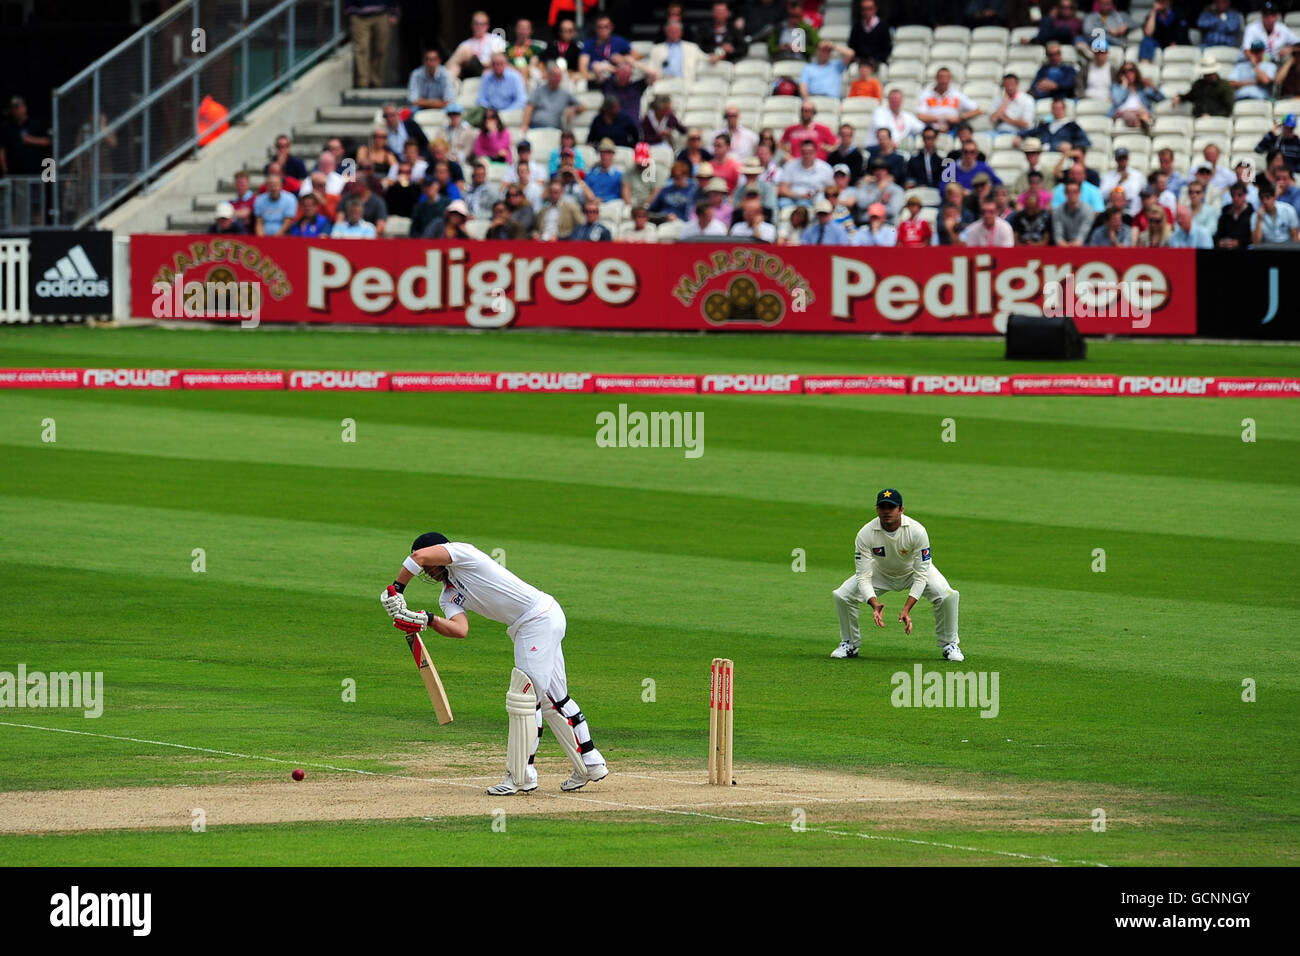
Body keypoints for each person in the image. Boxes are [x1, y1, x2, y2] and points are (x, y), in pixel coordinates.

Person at [383, 532, 609, 795]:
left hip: (537, 619)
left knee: (523, 697)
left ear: (440, 553)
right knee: (551, 699)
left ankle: (521, 776)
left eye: (429, 566)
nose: (428, 571)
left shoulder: (462, 553)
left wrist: (397, 588)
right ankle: (590, 763)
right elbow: (459, 629)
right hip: (537, 621)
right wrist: (428, 619)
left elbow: (418, 556)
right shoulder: (448, 595)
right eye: (425, 570)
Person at [831, 489, 964, 663]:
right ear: (877, 509)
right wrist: (874, 604)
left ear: (901, 509)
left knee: (948, 596)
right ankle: (849, 644)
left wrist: (907, 608)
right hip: (881, 571)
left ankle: (950, 644)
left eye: (891, 507)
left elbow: (921, 574)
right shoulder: (865, 533)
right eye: (882, 507)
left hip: (913, 571)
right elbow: (863, 576)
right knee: (842, 596)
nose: (887, 511)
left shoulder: (917, 531)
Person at [347, 2, 397, 89]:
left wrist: (394, 12)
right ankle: (362, 82)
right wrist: (349, 8)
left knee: (380, 49)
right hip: (358, 14)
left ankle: (376, 81)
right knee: (361, 49)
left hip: (382, 13)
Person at [916, 68, 982, 133]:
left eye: (946, 77)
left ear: (950, 79)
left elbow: (978, 111)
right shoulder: (926, 95)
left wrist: (959, 117)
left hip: (953, 128)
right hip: (931, 128)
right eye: (941, 77)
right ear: (936, 78)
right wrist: (942, 119)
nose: (943, 80)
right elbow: (920, 116)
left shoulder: (956, 95)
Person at [522, 62, 583, 133]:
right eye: (555, 76)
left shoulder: (565, 93)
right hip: (536, 127)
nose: (557, 78)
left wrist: (574, 109)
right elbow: (529, 108)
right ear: (549, 76)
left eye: (559, 76)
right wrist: (524, 125)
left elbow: (582, 106)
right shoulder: (538, 90)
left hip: (555, 129)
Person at [1019, 97, 1091, 153]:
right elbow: (1031, 132)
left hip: (1061, 158)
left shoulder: (1072, 126)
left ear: (1064, 109)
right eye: (1054, 108)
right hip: (1043, 157)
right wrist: (1019, 135)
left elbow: (1085, 142)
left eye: (1059, 108)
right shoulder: (1045, 126)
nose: (1056, 111)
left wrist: (1071, 145)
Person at [580, 15, 636, 84]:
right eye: (600, 27)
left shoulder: (619, 40)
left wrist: (622, 58)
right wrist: (589, 78)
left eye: (606, 27)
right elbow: (582, 67)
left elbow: (636, 55)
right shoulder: (589, 43)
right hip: (597, 77)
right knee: (597, 67)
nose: (603, 30)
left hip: (616, 77)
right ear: (595, 28)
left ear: (611, 27)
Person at [779, 139, 834, 208]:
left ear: (815, 152)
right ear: (800, 152)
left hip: (815, 201)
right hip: (793, 198)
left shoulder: (825, 168)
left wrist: (819, 191)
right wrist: (799, 196)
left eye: (810, 152)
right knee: (782, 202)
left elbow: (832, 189)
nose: (807, 155)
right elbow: (783, 189)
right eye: (804, 152)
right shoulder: (790, 165)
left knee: (806, 204)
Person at [1110, 61, 1163, 130]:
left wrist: (1151, 86)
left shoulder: (1142, 87)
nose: (1128, 73)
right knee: (1131, 115)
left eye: (1131, 70)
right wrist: (1124, 86)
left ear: (1135, 72)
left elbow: (1160, 98)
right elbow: (1117, 101)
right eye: (1124, 71)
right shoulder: (1117, 87)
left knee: (1144, 114)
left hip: (1141, 112)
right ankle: (1142, 125)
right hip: (1124, 112)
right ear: (1121, 74)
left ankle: (1142, 124)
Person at [651, 19, 705, 84]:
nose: (673, 33)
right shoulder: (656, 49)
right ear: (666, 32)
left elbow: (707, 58)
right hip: (663, 82)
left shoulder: (692, 47)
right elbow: (650, 67)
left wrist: (716, 56)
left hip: (685, 82)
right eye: (671, 31)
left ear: (681, 32)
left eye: (676, 30)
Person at [1099, 147, 1146, 215]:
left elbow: (1142, 193)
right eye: (1120, 158)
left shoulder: (1138, 175)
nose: (1123, 161)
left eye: (1124, 158)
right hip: (1114, 212)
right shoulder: (1107, 176)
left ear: (1128, 158)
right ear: (1116, 159)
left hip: (1133, 211)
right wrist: (1119, 182)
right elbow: (1102, 195)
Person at [990, 73, 1036, 142]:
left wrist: (1004, 118)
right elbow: (993, 119)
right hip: (998, 132)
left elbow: (1025, 124)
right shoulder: (998, 99)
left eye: (1011, 85)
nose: (1009, 88)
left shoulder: (1027, 99)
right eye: (1006, 85)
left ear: (1017, 85)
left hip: (1018, 133)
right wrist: (1004, 104)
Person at [1252, 181, 1300, 246]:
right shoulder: (1256, 215)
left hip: (1287, 247)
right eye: (1262, 198)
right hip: (1267, 249)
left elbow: (1295, 236)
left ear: (1274, 197)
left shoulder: (1288, 209)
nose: (1265, 201)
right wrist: (1259, 220)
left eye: (1267, 197)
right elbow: (1256, 243)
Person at [848, 0, 892, 66]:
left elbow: (887, 49)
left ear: (875, 9)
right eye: (864, 9)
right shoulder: (857, 27)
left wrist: (875, 59)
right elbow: (852, 46)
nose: (867, 12)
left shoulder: (883, 26)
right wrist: (858, 59)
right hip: (860, 63)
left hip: (878, 62)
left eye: (870, 9)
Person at [1052, 179, 1095, 245]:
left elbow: (1083, 233)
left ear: (1080, 193)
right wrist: (1061, 243)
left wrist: (1077, 243)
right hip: (1063, 247)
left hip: (1084, 246)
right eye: (1069, 192)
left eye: (1075, 191)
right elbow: (1058, 234)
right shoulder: (1057, 211)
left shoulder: (1088, 210)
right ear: (1065, 193)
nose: (1072, 194)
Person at [1215, 181, 1253, 248]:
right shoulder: (1226, 211)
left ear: (1245, 195)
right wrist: (1219, 242)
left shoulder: (1251, 213)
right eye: (1233, 195)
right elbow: (1219, 232)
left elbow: (1252, 237)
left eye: (1239, 195)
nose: (1236, 198)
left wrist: (1239, 242)